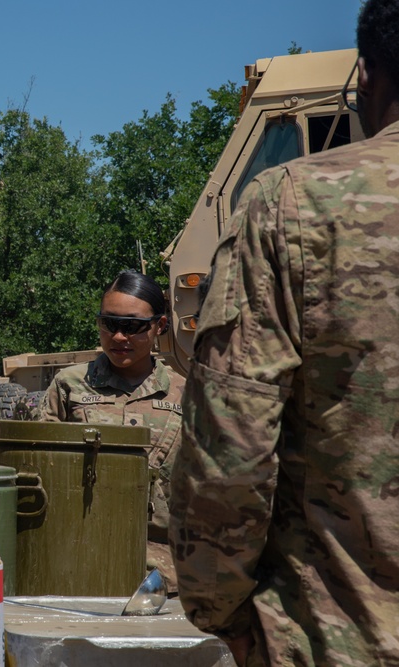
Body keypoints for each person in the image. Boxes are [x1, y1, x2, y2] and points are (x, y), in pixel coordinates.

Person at [168, 1, 399, 664]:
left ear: (365, 78)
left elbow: (231, 448)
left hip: (337, 639)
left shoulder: (289, 207)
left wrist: (224, 615)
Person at [36, 269, 185, 587]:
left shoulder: (189, 395)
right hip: (77, 564)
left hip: (164, 576)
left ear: (159, 326)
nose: (119, 337)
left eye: (133, 327)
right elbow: (40, 475)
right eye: (109, 324)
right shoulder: (69, 386)